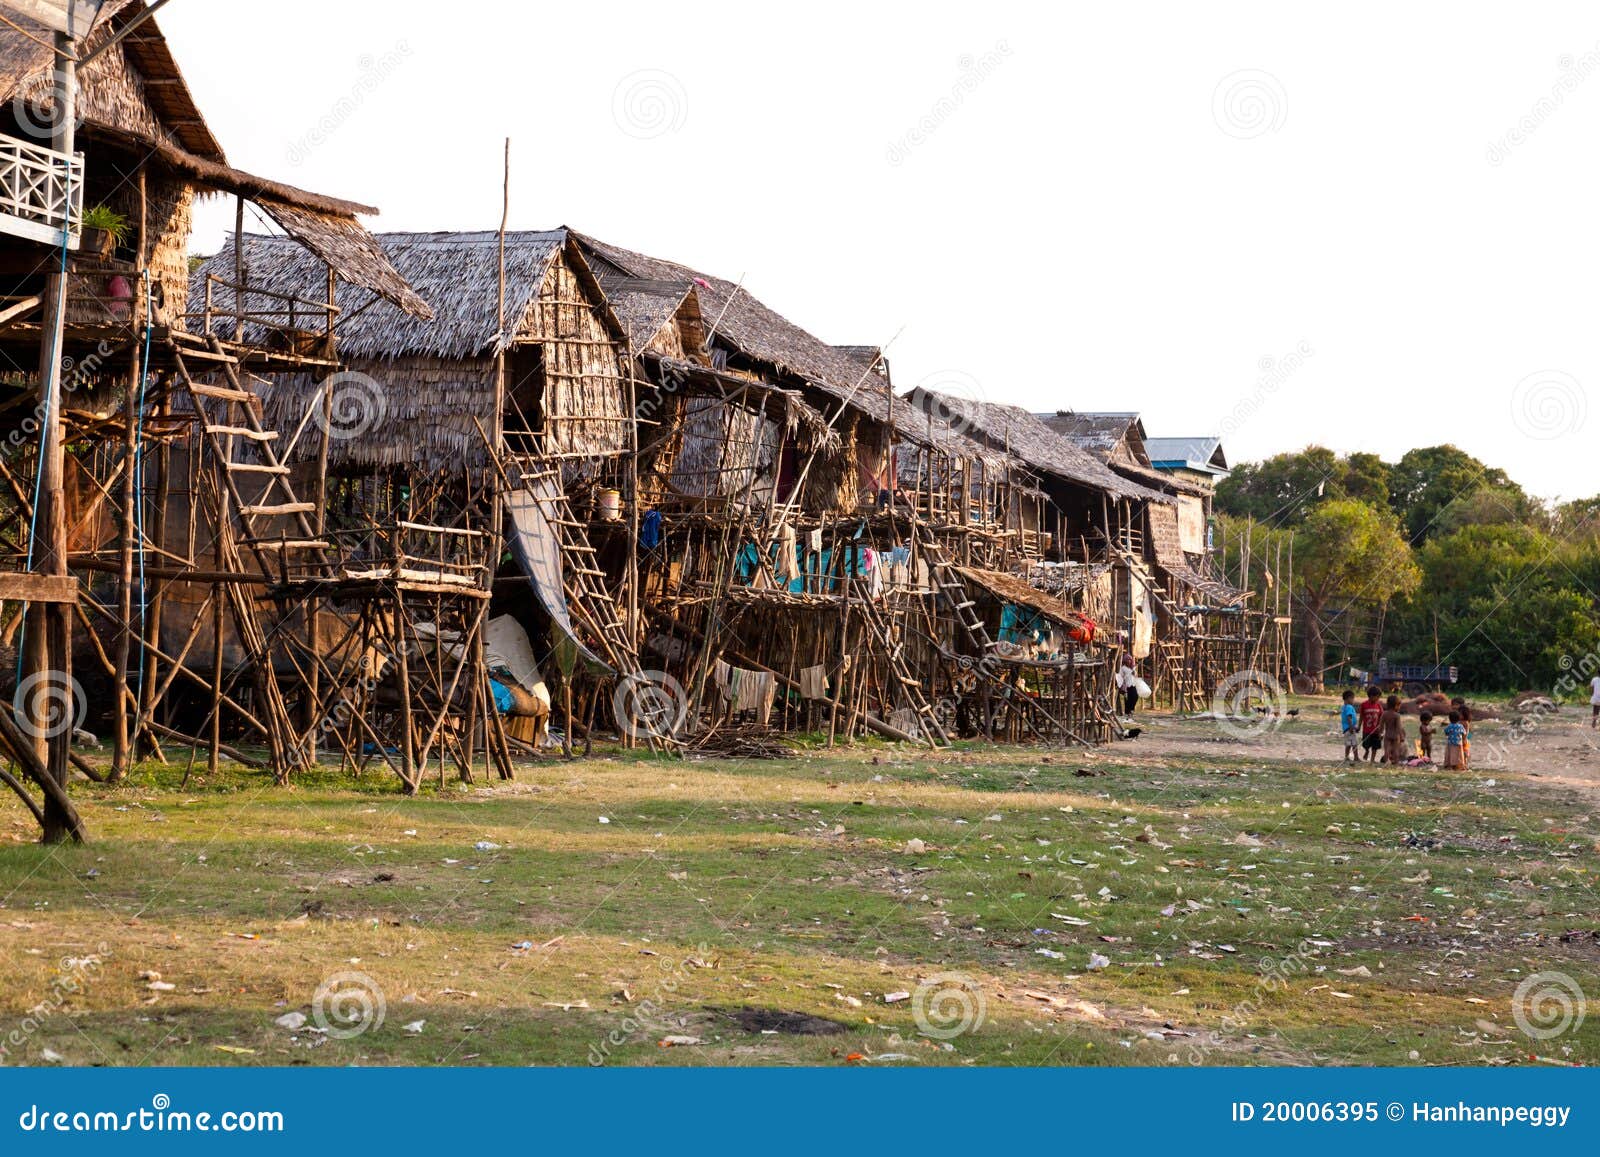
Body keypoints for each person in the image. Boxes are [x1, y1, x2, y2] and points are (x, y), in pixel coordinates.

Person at [1358, 685, 1385, 762]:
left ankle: (1372, 760)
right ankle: (1367, 751)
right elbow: (1361, 717)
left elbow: (1381, 718)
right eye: (1377, 697)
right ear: (1371, 696)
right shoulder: (1364, 705)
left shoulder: (1379, 706)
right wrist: (1359, 726)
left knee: (1375, 746)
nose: (1378, 699)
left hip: (1376, 730)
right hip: (1367, 730)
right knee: (1366, 744)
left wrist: (1381, 731)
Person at [1381, 694, 1406, 765]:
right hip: (1395, 736)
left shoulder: (1384, 714)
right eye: (1399, 706)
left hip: (1387, 735)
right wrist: (1402, 736)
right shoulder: (1397, 715)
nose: (1399, 708)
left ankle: (1386, 762)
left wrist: (1380, 733)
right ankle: (1396, 763)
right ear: (1396, 706)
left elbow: (1381, 725)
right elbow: (1399, 727)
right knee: (1396, 750)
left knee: (1387, 750)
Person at [1451, 697, 1473, 769]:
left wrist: (1466, 739)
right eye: (1452, 704)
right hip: (1460, 738)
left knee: (1465, 750)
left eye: (1456, 704)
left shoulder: (1465, 721)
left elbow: (1468, 731)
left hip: (1465, 738)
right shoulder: (1458, 719)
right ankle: (1460, 763)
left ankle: (1465, 763)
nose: (1453, 706)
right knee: (1460, 751)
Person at [1339, 689, 1360, 764]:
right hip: (1350, 728)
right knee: (1354, 743)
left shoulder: (1343, 707)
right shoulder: (1349, 707)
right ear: (1348, 698)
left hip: (1346, 729)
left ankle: (1346, 757)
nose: (1353, 700)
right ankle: (1356, 757)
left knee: (1348, 744)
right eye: (1353, 698)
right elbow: (1349, 717)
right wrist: (1352, 727)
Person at [1118, 653, 1139, 718]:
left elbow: (1136, 675)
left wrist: (1134, 672)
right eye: (1127, 660)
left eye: (1130, 660)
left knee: (1135, 697)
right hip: (1126, 686)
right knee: (1127, 699)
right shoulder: (1123, 668)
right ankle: (1127, 712)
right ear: (1125, 661)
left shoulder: (1133, 667)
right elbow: (1120, 676)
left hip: (1133, 684)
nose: (1129, 661)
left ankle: (1131, 709)